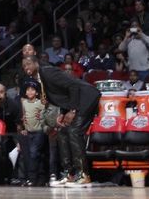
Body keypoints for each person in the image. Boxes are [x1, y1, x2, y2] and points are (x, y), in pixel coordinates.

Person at [21, 54, 100, 186]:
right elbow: (63, 94)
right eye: (24, 66)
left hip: (86, 97)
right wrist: (63, 113)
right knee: (62, 131)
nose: (26, 67)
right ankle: (68, 173)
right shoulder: (39, 79)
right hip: (75, 102)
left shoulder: (47, 72)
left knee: (74, 132)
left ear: (36, 63)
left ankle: (83, 174)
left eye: (28, 64)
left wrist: (72, 110)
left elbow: (72, 86)